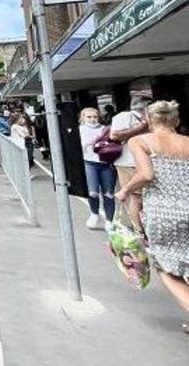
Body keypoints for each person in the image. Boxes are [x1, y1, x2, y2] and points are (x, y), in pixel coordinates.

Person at [117, 101, 189, 333]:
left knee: (165, 267)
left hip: (163, 211)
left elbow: (147, 174)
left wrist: (126, 189)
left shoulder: (140, 141)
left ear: (148, 120)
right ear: (176, 121)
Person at [111, 95, 153, 231]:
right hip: (128, 162)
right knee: (135, 195)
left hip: (146, 161)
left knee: (145, 195)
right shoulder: (124, 117)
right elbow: (115, 135)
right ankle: (138, 228)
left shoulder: (149, 119)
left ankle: (144, 226)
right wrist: (142, 127)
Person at [78, 107, 116, 229]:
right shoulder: (80, 130)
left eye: (95, 117)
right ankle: (94, 213)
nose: (92, 119)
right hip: (90, 163)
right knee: (92, 192)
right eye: (89, 117)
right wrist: (90, 143)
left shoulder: (105, 129)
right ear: (83, 117)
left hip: (106, 164)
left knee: (108, 193)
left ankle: (109, 220)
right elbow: (77, 149)